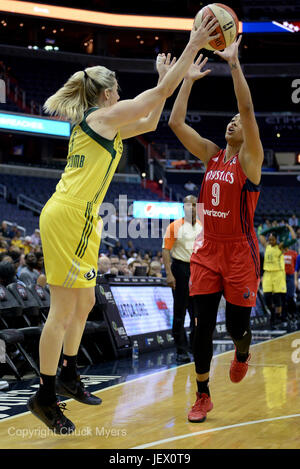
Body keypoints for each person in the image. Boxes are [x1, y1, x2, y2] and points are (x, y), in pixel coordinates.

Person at [27, 17, 221, 434]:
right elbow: (157, 96)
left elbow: (151, 121)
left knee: (84, 305)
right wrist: (187, 53)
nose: (121, 95)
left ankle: (68, 373)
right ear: (106, 94)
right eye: (117, 90)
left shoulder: (107, 127)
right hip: (66, 216)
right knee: (62, 311)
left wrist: (169, 79)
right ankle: (44, 395)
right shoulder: (101, 119)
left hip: (82, 219)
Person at [168, 36, 264, 423]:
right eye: (231, 119)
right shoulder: (210, 155)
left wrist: (234, 64)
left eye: (239, 122)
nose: (234, 121)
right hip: (208, 251)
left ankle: (242, 351)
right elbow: (175, 122)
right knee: (202, 326)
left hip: (241, 252)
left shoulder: (250, 160)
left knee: (238, 326)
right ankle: (202, 394)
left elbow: (247, 108)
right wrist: (187, 79)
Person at [162, 195, 202, 364]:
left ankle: (194, 347)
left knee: (197, 313)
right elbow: (165, 251)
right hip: (180, 269)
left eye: (193, 205)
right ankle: (181, 350)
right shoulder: (174, 226)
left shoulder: (202, 226)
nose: (191, 208)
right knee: (180, 312)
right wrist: (169, 274)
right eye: (187, 205)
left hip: (198, 271)